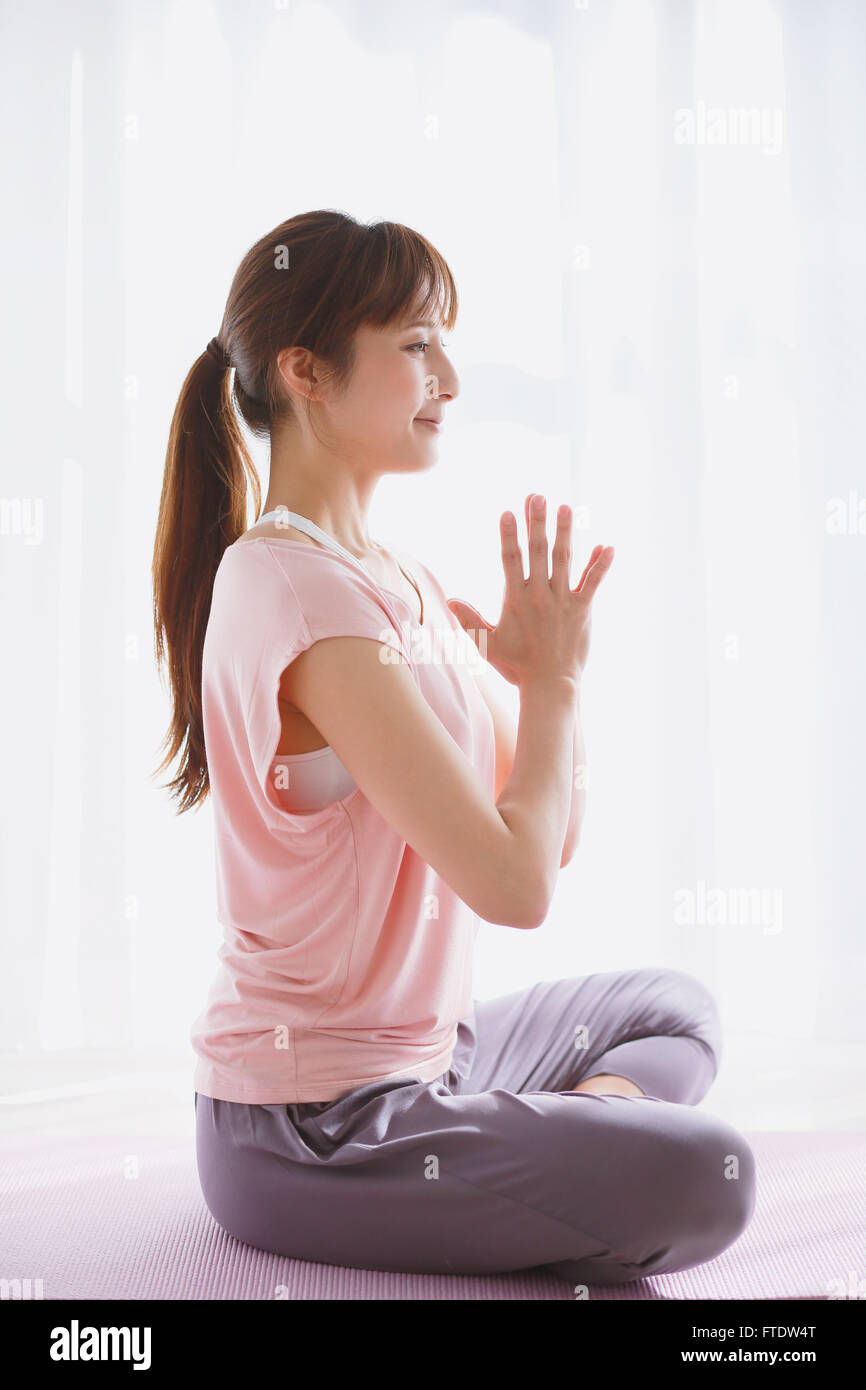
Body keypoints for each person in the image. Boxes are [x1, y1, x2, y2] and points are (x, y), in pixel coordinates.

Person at [151, 209, 756, 1286]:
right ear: (306, 373)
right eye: (417, 344)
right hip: (309, 1123)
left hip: (435, 1056)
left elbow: (552, 833)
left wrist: (540, 685)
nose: (451, 378)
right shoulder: (292, 588)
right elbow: (510, 887)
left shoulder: (398, 579)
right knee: (708, 1171)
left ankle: (541, 1145)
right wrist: (555, 683)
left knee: (674, 1008)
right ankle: (552, 1156)